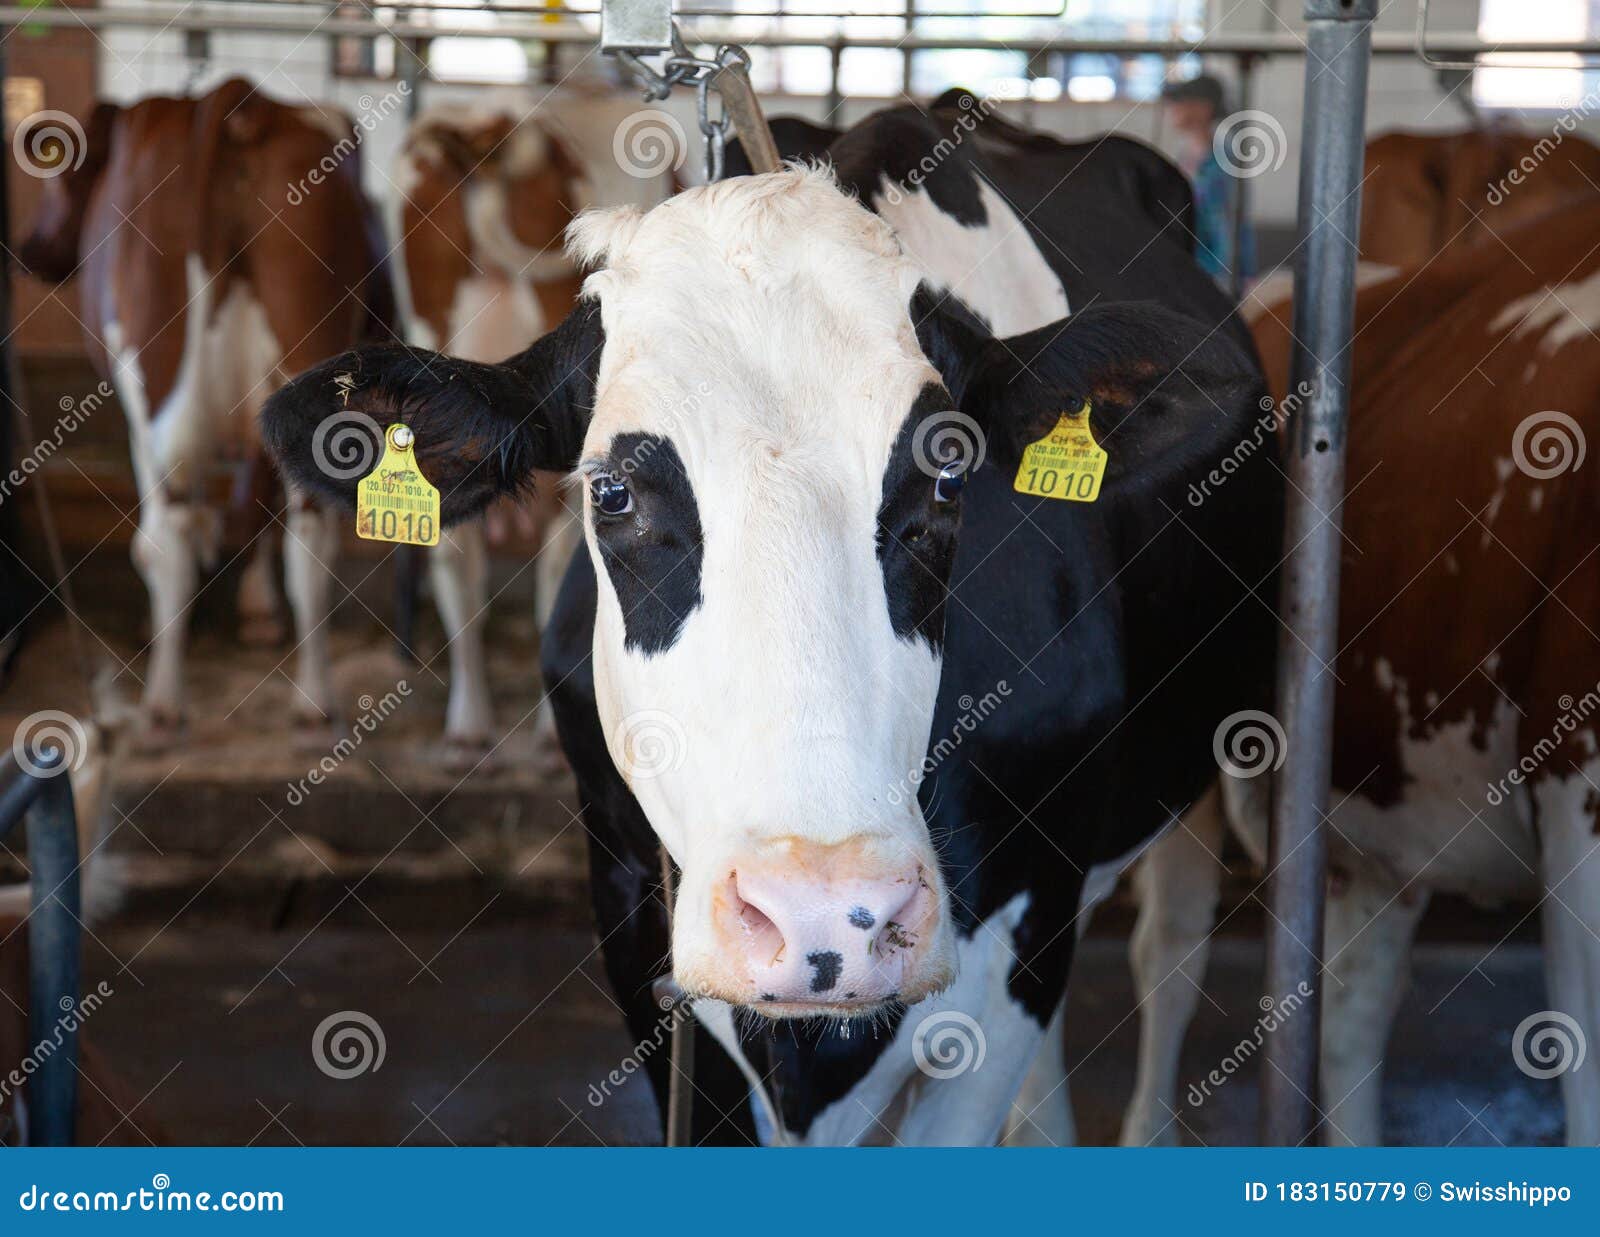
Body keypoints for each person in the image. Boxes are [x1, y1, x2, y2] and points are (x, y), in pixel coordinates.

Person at [1161, 74, 1257, 289]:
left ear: (1203, 108)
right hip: (1189, 267)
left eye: (1180, 102)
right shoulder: (1185, 155)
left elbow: (1227, 225)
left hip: (1214, 276)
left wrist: (1230, 279)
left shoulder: (1221, 162)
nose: (1172, 109)